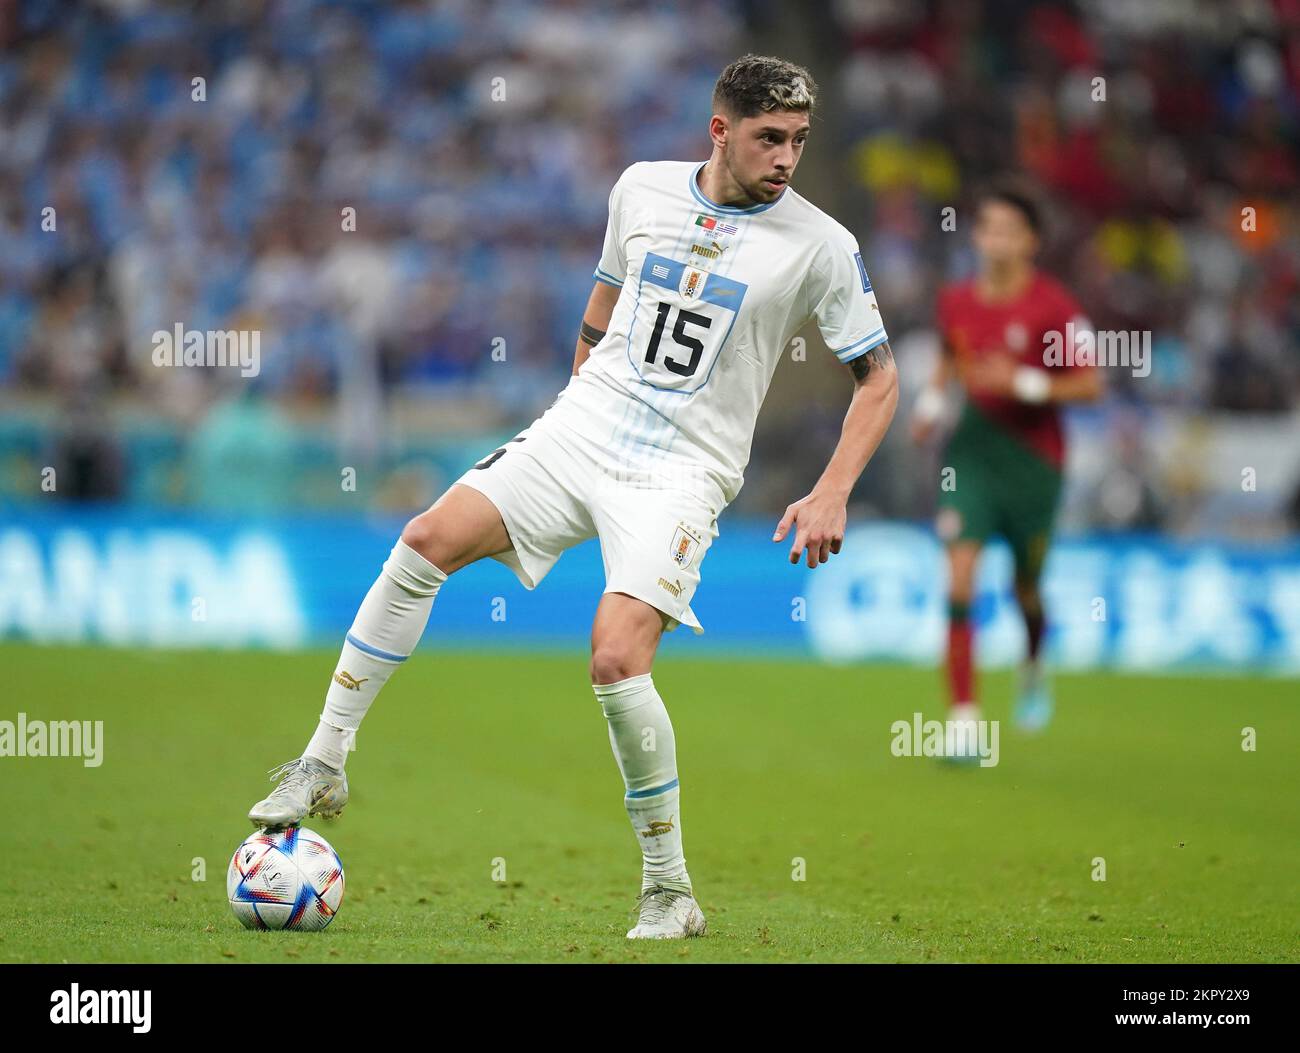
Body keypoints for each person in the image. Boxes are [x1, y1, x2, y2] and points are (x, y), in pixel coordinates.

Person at [248, 54, 899, 939]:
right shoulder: (641, 188)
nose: (786, 158)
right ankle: (324, 760)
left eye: (798, 141)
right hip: (586, 426)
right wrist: (581, 382)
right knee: (426, 538)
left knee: (615, 659)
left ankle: (670, 889)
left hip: (683, 469)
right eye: (768, 138)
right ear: (721, 131)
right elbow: (605, 292)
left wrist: (831, 490)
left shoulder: (822, 245)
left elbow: (879, 380)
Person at [911, 181, 1101, 755]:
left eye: (1007, 230)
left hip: (1034, 461)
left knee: (1026, 589)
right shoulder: (956, 300)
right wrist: (931, 403)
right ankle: (964, 719)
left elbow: (1091, 383)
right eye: (986, 227)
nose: (994, 239)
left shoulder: (1055, 307)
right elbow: (950, 357)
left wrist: (1023, 381)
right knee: (961, 573)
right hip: (971, 452)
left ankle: (1034, 663)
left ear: (1031, 242)